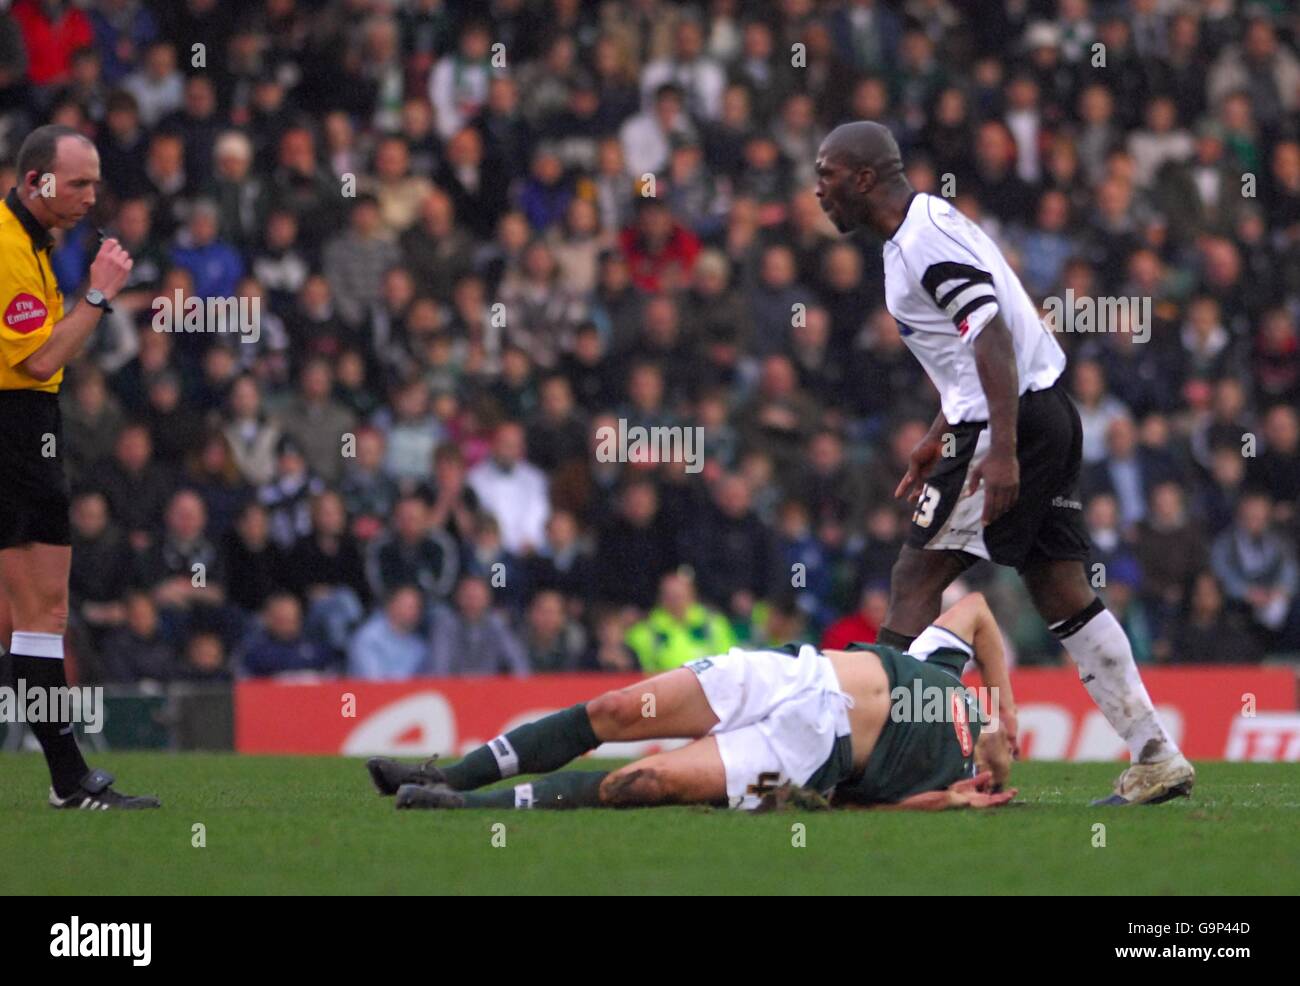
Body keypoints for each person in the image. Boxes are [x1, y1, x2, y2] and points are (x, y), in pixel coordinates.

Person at [813, 121, 1193, 806]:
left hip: (1007, 423)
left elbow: (990, 335)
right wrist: (937, 432)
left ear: (864, 178)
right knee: (1060, 589)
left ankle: (876, 760)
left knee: (915, 575)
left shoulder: (922, 240)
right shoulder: (923, 226)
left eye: (827, 174)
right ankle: (1156, 755)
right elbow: (974, 348)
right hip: (1039, 411)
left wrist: (1004, 451)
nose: (817, 190)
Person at [368, 592, 1018, 813]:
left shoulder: (958, 779)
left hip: (804, 757)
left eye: (1011, 749)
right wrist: (1008, 706)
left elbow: (877, 811)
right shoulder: (947, 672)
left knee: (642, 783)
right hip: (787, 674)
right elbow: (979, 610)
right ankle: (444, 772)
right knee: (617, 710)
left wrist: (955, 794)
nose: (1010, 738)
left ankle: (459, 804)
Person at [0, 124, 158, 808]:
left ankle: (70, 780)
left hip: (33, 426)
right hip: (11, 426)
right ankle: (70, 780)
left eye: (95, 180)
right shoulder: (7, 247)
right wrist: (97, 297)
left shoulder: (33, 240)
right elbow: (37, 359)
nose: (92, 195)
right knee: (34, 609)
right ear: (36, 181)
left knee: (45, 612)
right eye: (79, 183)